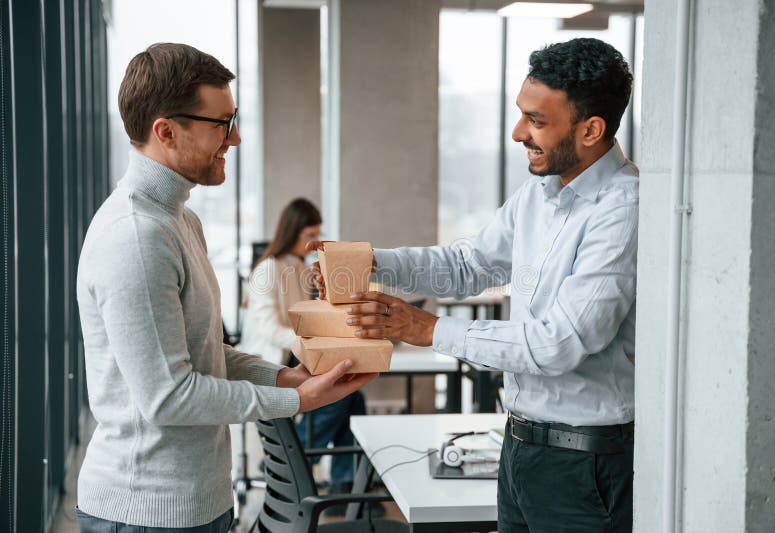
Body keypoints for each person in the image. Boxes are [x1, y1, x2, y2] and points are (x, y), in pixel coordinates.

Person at [313, 38, 637, 532]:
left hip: (584, 465)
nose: (517, 132)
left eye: (537, 121)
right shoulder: (539, 195)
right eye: (521, 115)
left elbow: (559, 342)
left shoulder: (624, 209)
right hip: (521, 448)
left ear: (591, 129)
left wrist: (429, 330)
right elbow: (469, 265)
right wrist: (373, 261)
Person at [75, 43, 376, 532]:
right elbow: (169, 398)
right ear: (166, 132)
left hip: (197, 502)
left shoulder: (180, 220)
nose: (234, 140)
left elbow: (206, 354)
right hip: (144, 514)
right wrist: (299, 401)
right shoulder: (136, 236)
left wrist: (285, 379)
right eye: (222, 124)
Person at [238, 198, 367, 504]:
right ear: (292, 232)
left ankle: (343, 484)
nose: (313, 243)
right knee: (342, 397)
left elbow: (305, 318)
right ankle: (291, 460)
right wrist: (309, 343)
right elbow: (271, 330)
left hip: (293, 360)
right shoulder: (269, 269)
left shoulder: (298, 267)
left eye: (317, 235)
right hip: (266, 366)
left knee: (354, 397)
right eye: (309, 235)